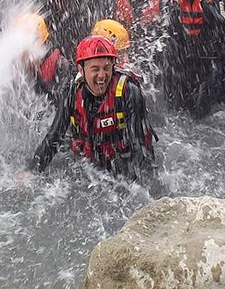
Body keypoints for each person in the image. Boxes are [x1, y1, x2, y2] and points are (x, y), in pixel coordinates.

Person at [28, 35, 155, 180]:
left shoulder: (128, 91)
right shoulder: (72, 92)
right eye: (95, 69)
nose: (102, 75)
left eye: (107, 68)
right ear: (81, 70)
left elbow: (137, 146)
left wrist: (129, 188)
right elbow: (54, 137)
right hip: (91, 165)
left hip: (127, 163)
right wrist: (32, 172)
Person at [161, 0, 225, 119]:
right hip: (180, 60)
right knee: (177, 110)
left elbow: (221, 26)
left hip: (205, 59)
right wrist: (175, 1)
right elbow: (168, 30)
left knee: (203, 111)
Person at [14, 12, 72, 98]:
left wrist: (39, 81)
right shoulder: (11, 69)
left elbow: (59, 102)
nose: (24, 53)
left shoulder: (60, 66)